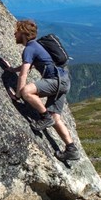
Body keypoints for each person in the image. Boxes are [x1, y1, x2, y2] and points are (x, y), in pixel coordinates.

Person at [13, 19, 81, 162]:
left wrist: (18, 94)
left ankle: (45, 117)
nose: (15, 34)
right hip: (63, 80)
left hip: (55, 81)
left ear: (23, 33)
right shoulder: (36, 47)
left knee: (26, 92)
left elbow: (24, 73)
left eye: (17, 31)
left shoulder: (29, 48)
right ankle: (71, 149)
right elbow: (28, 66)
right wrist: (12, 69)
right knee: (56, 117)